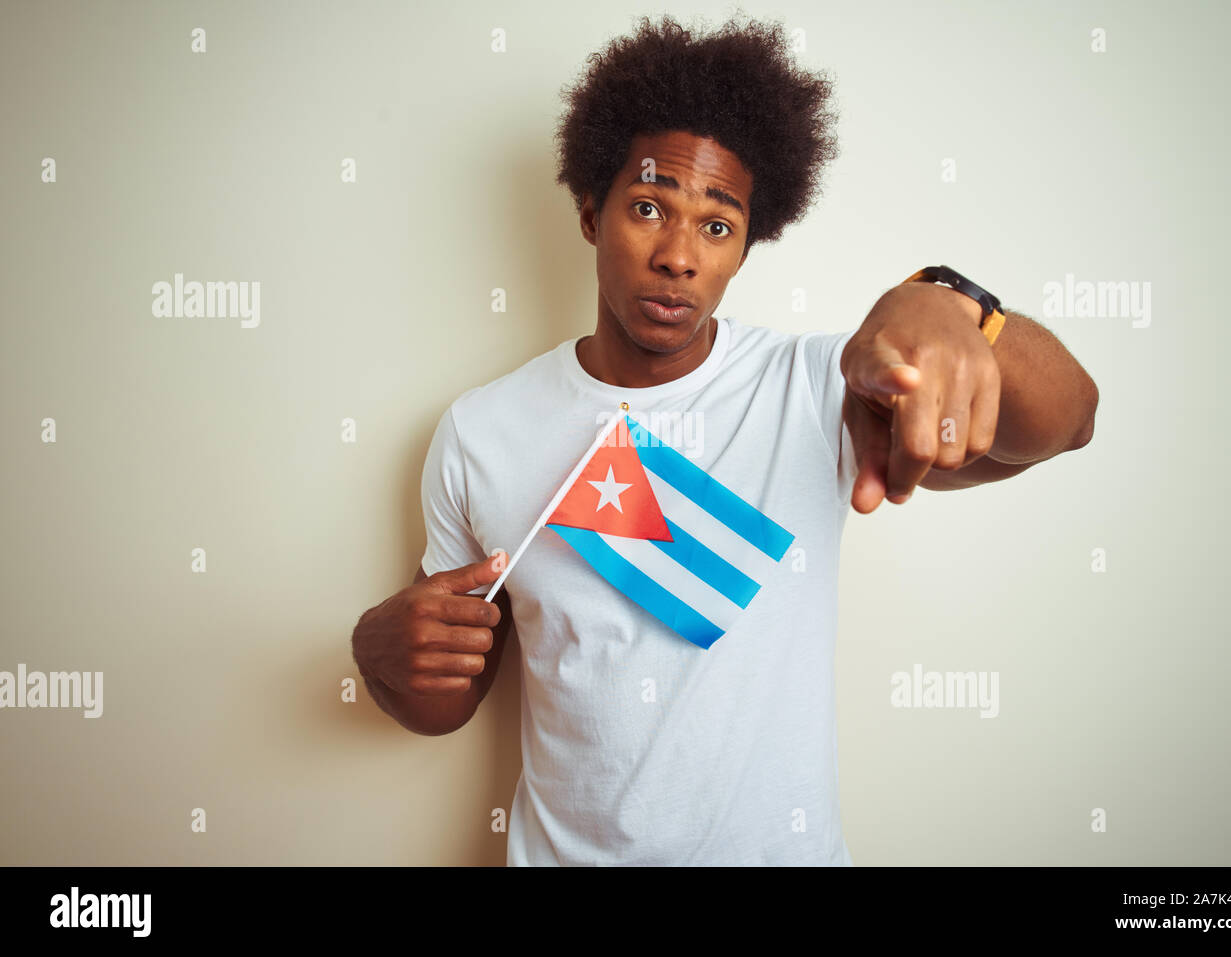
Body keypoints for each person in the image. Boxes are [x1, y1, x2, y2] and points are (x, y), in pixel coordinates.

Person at [351, 13, 1098, 866]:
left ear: (748, 243)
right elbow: (445, 696)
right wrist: (377, 660)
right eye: (647, 207)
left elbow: (1071, 421)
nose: (679, 255)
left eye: (716, 224)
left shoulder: (823, 389)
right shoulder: (481, 431)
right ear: (591, 214)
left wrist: (953, 301)